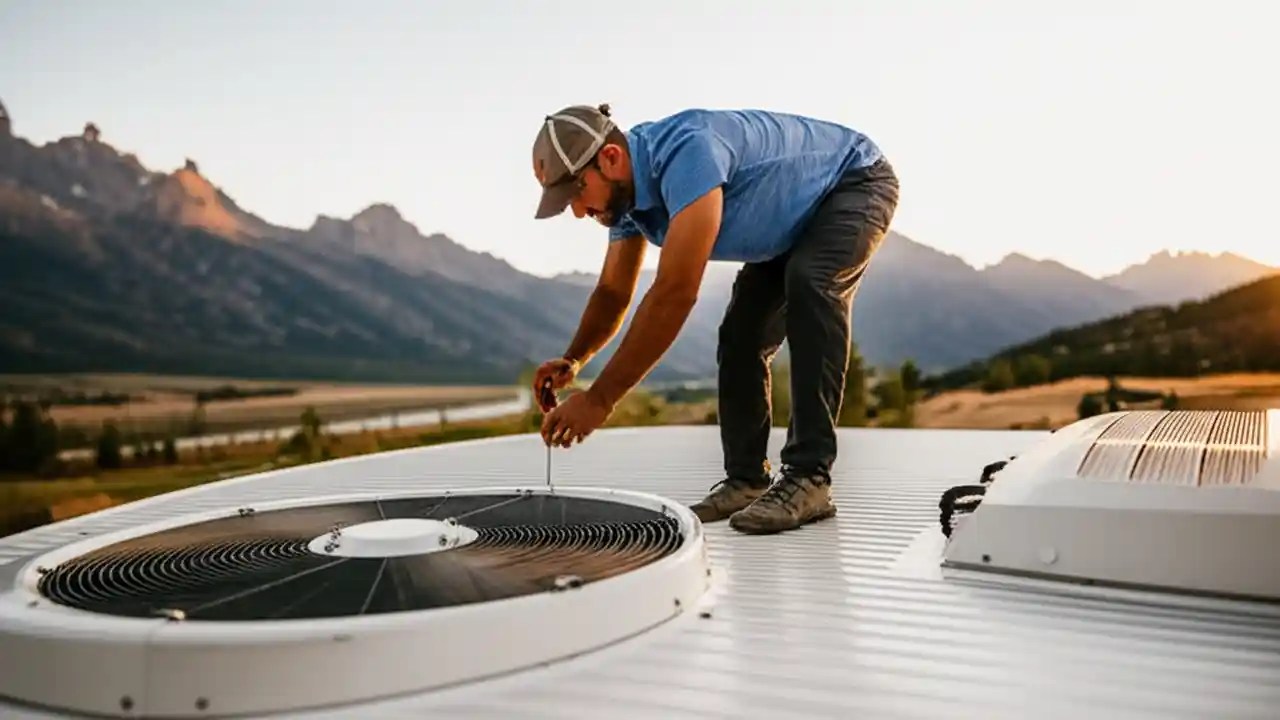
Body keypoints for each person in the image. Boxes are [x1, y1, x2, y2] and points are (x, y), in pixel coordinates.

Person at [529, 103, 898, 535]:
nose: (577, 211)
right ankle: (747, 479)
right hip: (791, 222)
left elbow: (675, 292)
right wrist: (575, 359)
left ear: (610, 158)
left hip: (854, 181)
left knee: (812, 284)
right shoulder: (625, 200)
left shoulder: (689, 152)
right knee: (742, 334)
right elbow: (613, 292)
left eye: (576, 192)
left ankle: (809, 478)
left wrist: (599, 400)